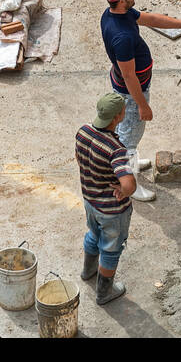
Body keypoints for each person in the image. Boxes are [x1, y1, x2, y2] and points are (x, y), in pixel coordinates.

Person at [100, 0, 181, 202]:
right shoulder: (122, 37)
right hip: (131, 92)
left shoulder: (115, 14)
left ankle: (131, 160)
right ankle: (129, 185)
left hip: (128, 86)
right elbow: (129, 76)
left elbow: (151, 18)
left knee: (128, 133)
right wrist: (142, 105)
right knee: (128, 139)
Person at [76, 92, 136, 305]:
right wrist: (123, 190)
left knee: (93, 234)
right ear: (117, 117)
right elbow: (129, 184)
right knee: (111, 248)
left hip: (90, 200)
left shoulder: (83, 132)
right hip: (112, 211)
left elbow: (80, 159)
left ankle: (87, 272)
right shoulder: (116, 150)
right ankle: (104, 293)